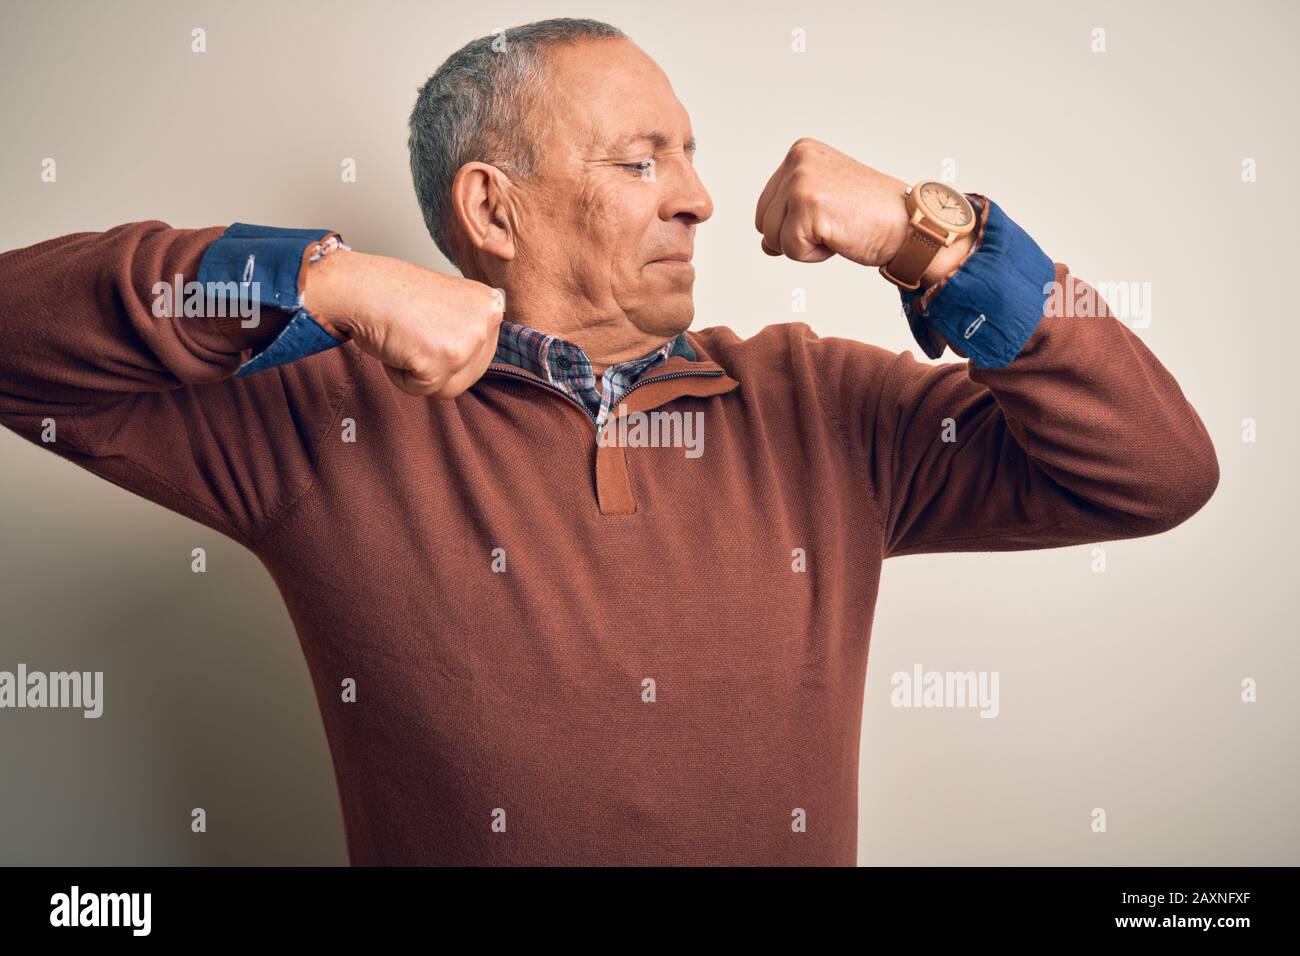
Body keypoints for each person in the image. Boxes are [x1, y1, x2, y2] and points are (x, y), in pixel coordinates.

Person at [0, 18, 1218, 865]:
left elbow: (1158, 469)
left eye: (689, 154)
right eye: (643, 160)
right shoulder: (314, 420)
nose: (695, 197)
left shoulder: (825, 408)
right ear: (492, 207)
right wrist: (323, 285)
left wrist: (934, 240)